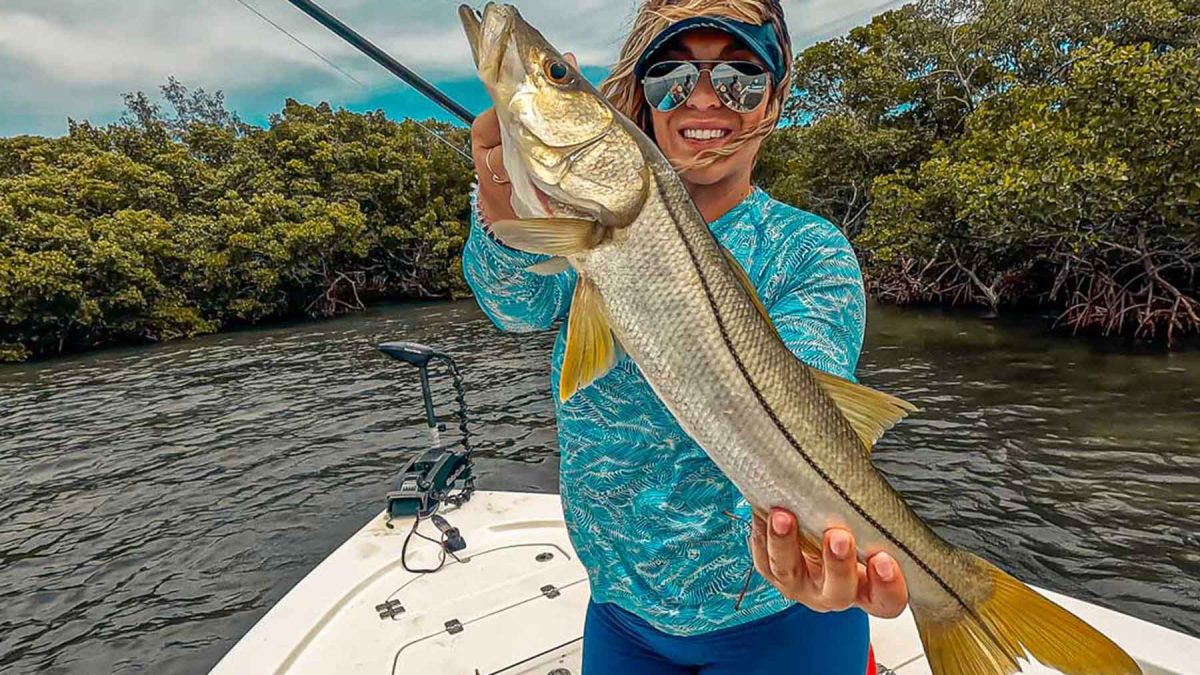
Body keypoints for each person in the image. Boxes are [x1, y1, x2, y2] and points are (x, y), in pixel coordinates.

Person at [462, 1, 909, 673]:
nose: (703, 96)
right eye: (671, 74)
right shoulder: (580, 233)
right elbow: (515, 306)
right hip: (620, 612)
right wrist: (500, 201)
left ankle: (958, 603)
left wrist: (807, 545)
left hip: (781, 618)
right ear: (639, 97)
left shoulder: (810, 250)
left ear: (775, 100)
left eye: (740, 78)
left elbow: (805, 411)